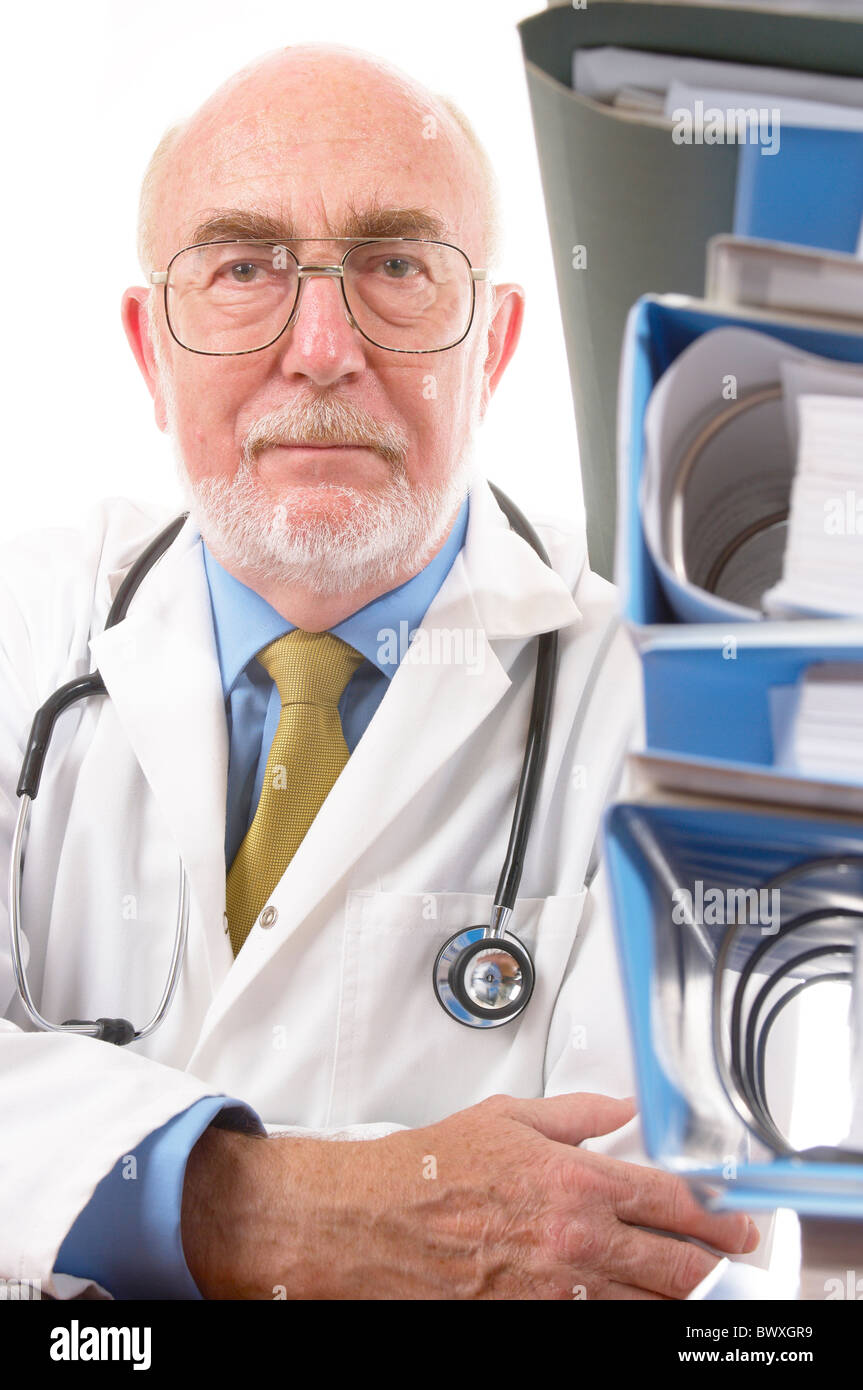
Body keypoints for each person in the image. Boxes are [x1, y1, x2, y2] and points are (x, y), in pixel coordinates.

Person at [0, 42, 759, 1300]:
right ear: (150, 349)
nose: (319, 348)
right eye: (243, 268)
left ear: (495, 346)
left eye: (395, 266)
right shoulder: (20, 622)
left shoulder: (673, 709)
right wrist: (301, 1216)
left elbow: (663, 1255)